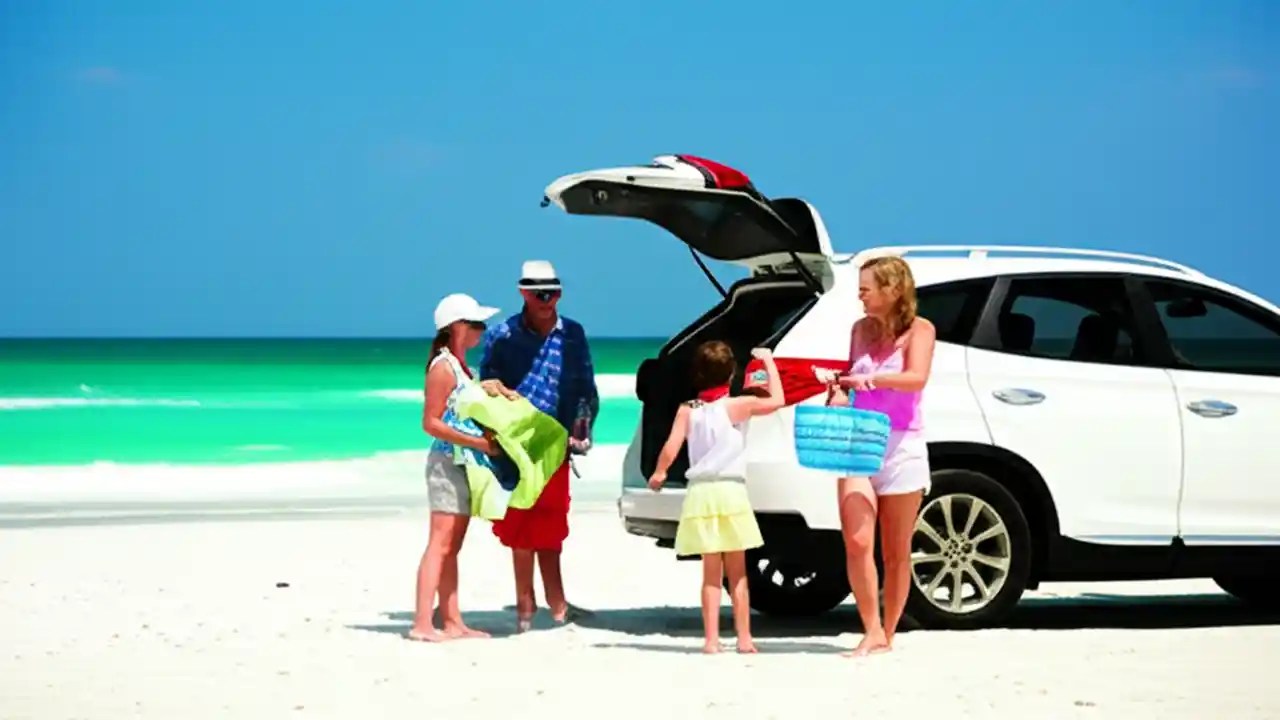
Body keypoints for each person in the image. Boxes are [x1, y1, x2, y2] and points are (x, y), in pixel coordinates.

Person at [817, 255, 936, 657]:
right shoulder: (859, 330)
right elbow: (853, 380)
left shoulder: (920, 330)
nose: (860, 295)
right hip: (859, 441)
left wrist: (872, 379)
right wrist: (838, 393)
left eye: (868, 287)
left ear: (893, 289)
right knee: (856, 539)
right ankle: (870, 629)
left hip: (902, 445)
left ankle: (888, 631)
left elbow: (916, 378)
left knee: (896, 549)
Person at [479, 260, 599, 632]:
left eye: (552, 293)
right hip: (515, 444)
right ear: (523, 294)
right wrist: (490, 428)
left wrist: (582, 428)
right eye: (538, 293)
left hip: (556, 441)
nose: (546, 300)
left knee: (552, 522)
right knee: (520, 526)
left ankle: (558, 604)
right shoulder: (501, 334)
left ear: (560, 293)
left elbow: (584, 386)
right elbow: (486, 383)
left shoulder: (573, 334)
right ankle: (525, 608)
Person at [648, 342, 785, 654]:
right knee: (738, 573)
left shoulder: (688, 409)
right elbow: (778, 399)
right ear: (732, 373)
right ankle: (745, 638)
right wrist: (768, 362)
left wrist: (659, 473)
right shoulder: (738, 405)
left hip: (702, 494)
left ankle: (711, 640)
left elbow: (672, 446)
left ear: (696, 374)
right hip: (731, 491)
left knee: (711, 573)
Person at [410, 292, 509, 642]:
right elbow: (431, 423)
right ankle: (422, 623)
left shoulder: (459, 366)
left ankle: (453, 621)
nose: (482, 330)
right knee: (439, 543)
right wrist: (481, 444)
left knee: (453, 546)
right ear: (457, 328)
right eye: (476, 324)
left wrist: (488, 388)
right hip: (446, 463)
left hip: (462, 463)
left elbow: (462, 404)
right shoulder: (442, 367)